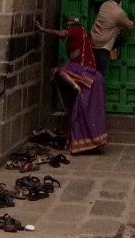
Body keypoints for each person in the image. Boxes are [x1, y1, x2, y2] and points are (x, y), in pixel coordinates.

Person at [36, 17, 107, 154]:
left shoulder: (77, 29)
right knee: (87, 111)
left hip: (85, 75)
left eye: (67, 27)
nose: (66, 29)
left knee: (80, 112)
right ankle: (90, 142)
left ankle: (83, 143)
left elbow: (62, 35)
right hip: (90, 76)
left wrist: (43, 30)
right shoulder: (82, 34)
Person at [90, 0, 134, 78]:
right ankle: (98, 92)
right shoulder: (119, 12)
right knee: (101, 77)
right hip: (103, 47)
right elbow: (130, 26)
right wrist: (130, 20)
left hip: (93, 42)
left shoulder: (104, 5)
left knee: (92, 74)